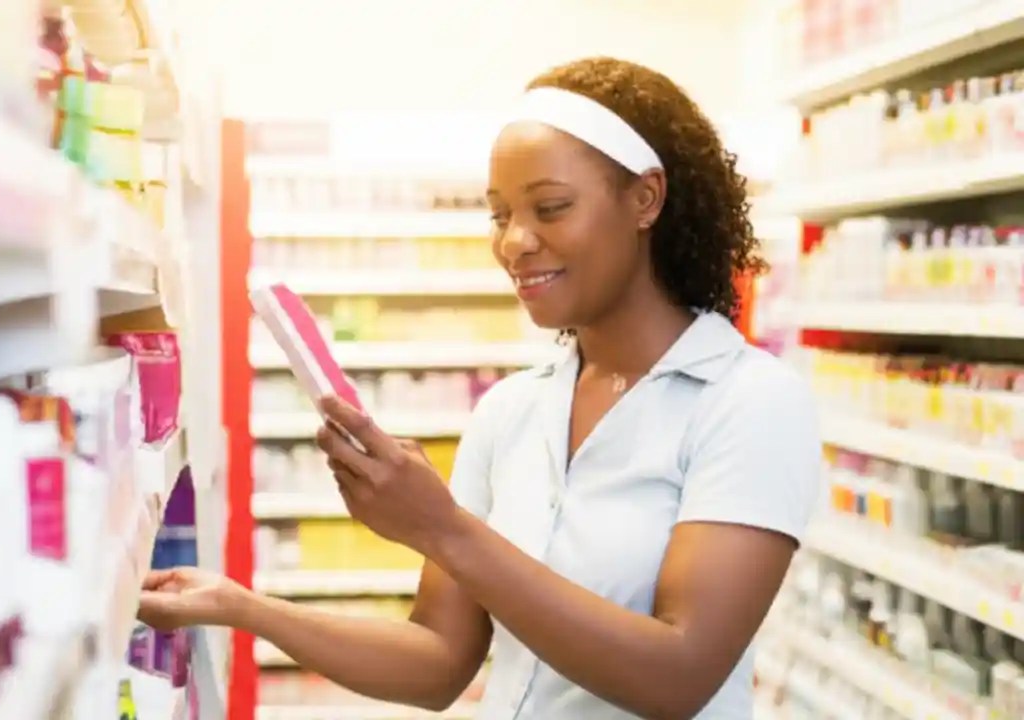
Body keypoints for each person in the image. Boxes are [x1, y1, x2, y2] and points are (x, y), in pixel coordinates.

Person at [139, 56, 821, 720]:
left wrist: (441, 528)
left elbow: (677, 677)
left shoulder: (748, 402)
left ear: (645, 199)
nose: (516, 242)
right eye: (499, 215)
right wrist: (239, 607)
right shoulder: (513, 412)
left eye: (550, 207)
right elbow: (437, 660)